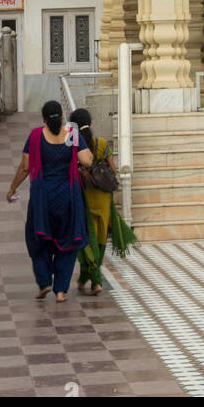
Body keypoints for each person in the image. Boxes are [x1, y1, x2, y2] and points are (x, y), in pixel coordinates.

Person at [6, 99, 93, 303]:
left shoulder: (36, 136)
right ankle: (61, 291)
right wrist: (83, 140)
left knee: (38, 238)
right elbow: (87, 161)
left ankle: (45, 281)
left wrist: (12, 188)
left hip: (42, 197)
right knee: (67, 241)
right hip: (68, 197)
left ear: (43, 119)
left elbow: (25, 168)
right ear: (63, 116)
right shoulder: (72, 135)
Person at [69, 108, 136, 296]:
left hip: (85, 196)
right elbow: (113, 168)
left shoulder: (74, 145)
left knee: (86, 238)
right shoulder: (100, 143)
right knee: (99, 237)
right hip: (104, 197)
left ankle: (95, 279)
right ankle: (85, 278)